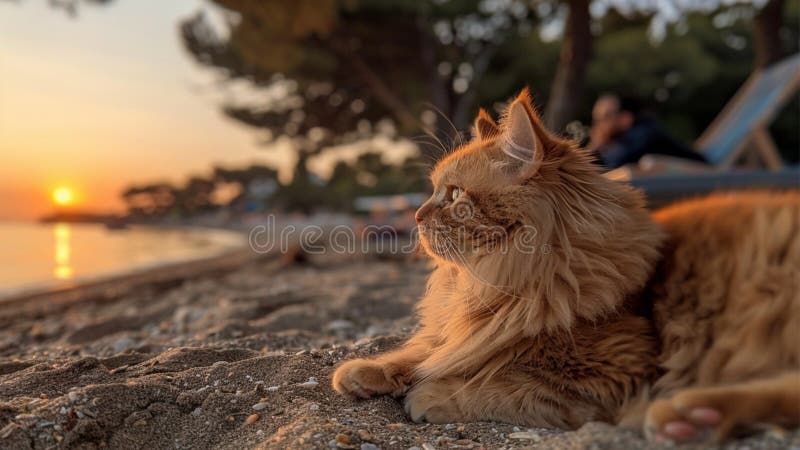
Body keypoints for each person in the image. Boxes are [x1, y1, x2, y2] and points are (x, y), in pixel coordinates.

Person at [588, 94, 707, 170]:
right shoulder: (630, 139)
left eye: (604, 118)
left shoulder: (645, 134)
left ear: (625, 119)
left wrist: (596, 149)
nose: (598, 126)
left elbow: (620, 165)